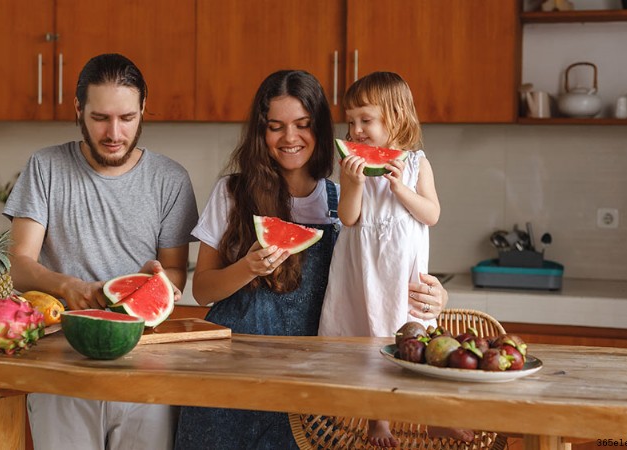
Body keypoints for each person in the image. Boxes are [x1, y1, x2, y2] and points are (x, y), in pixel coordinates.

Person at [174, 70, 449, 450]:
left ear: (320, 130)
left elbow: (377, 274)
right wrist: (247, 267)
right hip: (228, 381)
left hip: (308, 392)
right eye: (275, 127)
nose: (289, 138)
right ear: (261, 132)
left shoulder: (346, 198)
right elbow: (202, 290)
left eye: (302, 125)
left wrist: (437, 298)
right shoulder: (232, 192)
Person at [3, 53, 199, 450]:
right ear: (78, 109)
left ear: (143, 109)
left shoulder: (171, 179)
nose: (114, 132)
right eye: (100, 118)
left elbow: (176, 270)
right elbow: (19, 263)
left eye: (127, 118)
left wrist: (156, 283)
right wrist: (67, 285)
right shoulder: (46, 167)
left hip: (146, 367)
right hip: (60, 364)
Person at [317, 71, 472, 446]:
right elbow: (350, 218)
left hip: (403, 282)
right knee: (370, 348)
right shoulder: (351, 169)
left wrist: (400, 187)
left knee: (419, 348)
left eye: (365, 120)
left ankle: (433, 416)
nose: (355, 130)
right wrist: (353, 182)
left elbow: (431, 213)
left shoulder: (418, 164)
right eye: (350, 121)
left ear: (397, 117)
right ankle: (378, 420)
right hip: (363, 277)